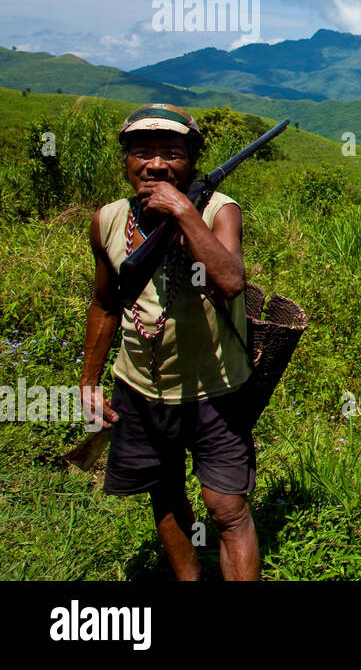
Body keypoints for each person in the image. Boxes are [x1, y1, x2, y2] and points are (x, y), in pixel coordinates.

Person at [79, 103, 259, 580]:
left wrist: (183, 211)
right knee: (164, 492)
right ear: (125, 161)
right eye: (143, 152)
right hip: (139, 389)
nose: (156, 165)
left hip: (214, 391)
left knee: (227, 509)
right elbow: (104, 303)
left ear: (193, 162)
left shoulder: (220, 212)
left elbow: (229, 280)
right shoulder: (109, 221)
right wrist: (89, 381)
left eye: (172, 154)